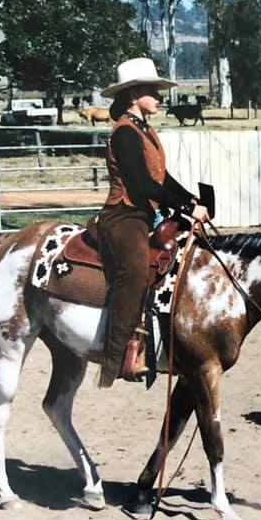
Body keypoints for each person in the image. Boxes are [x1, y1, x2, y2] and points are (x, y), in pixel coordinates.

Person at [97, 58, 210, 387]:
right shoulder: (124, 133)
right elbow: (141, 184)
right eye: (153, 91)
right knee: (133, 270)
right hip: (124, 214)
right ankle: (116, 358)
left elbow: (162, 178)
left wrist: (191, 201)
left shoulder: (145, 129)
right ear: (134, 94)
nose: (160, 97)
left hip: (145, 212)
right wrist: (187, 206)